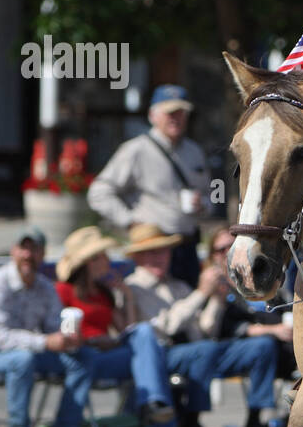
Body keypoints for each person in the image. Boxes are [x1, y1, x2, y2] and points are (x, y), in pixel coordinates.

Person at [123, 224, 284, 427]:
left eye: (163, 251)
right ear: (138, 258)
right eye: (152, 252)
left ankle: (256, 420)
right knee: (204, 351)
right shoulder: (134, 287)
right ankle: (192, 421)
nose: (159, 257)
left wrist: (216, 300)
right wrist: (201, 294)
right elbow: (165, 327)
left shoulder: (177, 286)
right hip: (160, 355)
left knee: (261, 347)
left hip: (196, 350)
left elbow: (203, 331)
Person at [0, 227, 90, 427]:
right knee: (22, 359)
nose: (28, 255)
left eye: (35, 249)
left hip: (27, 351)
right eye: (24, 249)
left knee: (82, 358)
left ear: (43, 254)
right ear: (13, 251)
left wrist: (67, 338)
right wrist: (45, 341)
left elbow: (52, 327)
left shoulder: (44, 287)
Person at [54, 226, 178, 427]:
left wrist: (127, 295)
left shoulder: (104, 293)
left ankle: (152, 405)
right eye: (102, 257)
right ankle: (155, 418)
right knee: (151, 353)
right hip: (83, 355)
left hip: (109, 354)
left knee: (144, 335)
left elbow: (127, 329)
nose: (108, 261)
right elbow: (59, 332)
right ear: (88, 262)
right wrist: (92, 341)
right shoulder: (64, 290)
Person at [88, 85, 212, 288]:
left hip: (188, 246)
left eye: (181, 112)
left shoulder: (194, 151)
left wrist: (204, 204)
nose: (176, 118)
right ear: (153, 115)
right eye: (169, 113)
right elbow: (99, 193)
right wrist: (130, 221)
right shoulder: (136, 150)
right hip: (153, 250)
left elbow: (212, 195)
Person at [205, 226, 297, 381]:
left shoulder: (261, 277)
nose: (228, 252)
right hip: (241, 344)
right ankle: (260, 404)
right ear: (213, 256)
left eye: (231, 246)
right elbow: (227, 328)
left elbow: (285, 306)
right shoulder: (215, 285)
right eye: (221, 249)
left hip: (281, 338)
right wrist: (273, 330)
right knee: (265, 345)